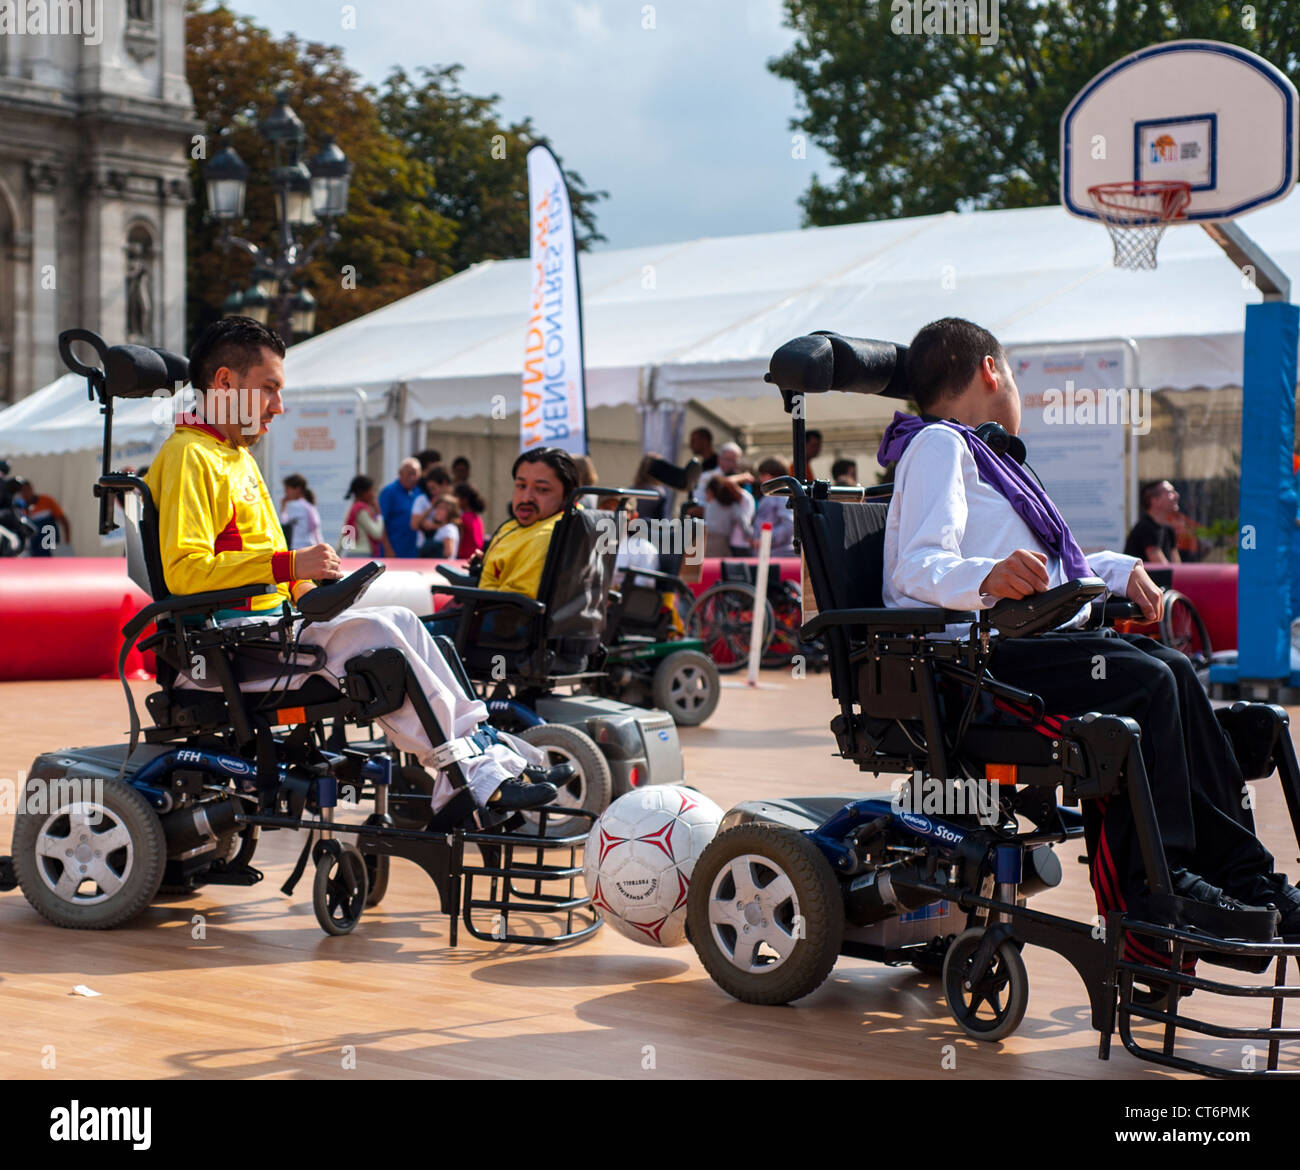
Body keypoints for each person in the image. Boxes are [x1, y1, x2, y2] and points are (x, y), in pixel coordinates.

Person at [880, 315, 1299, 943]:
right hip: (978, 665)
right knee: (1152, 682)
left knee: (1175, 670)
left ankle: (1248, 878)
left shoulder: (987, 458)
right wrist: (989, 576)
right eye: (1012, 371)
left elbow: (1054, 571)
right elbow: (917, 567)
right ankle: (1171, 884)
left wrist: (1122, 569)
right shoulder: (941, 445)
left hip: (1027, 642)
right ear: (990, 370)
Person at [143, 317, 554, 820]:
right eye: (269, 389)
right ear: (225, 382)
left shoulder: (237, 458)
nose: (278, 406)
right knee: (379, 636)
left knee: (402, 620)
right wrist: (289, 564)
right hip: (225, 652)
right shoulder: (189, 456)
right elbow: (186, 570)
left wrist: (309, 586)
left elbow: (269, 561)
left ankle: (483, 752)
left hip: (259, 637)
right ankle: (464, 774)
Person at [425, 447, 577, 638]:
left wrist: (477, 585)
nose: (526, 497)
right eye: (521, 485)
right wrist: (488, 566)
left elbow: (512, 602)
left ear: (568, 495)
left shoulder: (548, 534)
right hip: (496, 618)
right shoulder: (538, 524)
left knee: (397, 632)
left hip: (498, 627)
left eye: (542, 489)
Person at [1124, 480, 1181, 563]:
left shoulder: (1169, 531)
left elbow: (1177, 568)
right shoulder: (1145, 528)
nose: (1176, 495)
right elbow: (1162, 568)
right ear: (1155, 500)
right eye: (1170, 492)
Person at [378, 458, 423, 558]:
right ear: (400, 473)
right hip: (394, 550)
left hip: (414, 552)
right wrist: (387, 549)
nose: (411, 477)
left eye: (414, 473)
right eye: (409, 473)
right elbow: (381, 522)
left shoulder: (420, 493)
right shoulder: (389, 492)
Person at [752, 457, 796, 558]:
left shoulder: (782, 497)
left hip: (779, 555)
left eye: (763, 475)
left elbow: (789, 526)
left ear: (773, 476)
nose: (760, 479)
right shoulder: (771, 495)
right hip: (768, 554)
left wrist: (765, 540)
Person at [702, 473, 754, 558]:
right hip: (721, 541)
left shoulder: (711, 504)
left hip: (707, 539)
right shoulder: (731, 506)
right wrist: (749, 535)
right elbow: (742, 520)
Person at [342, 475, 394, 557]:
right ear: (364, 492)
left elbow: (345, 534)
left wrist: (337, 554)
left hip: (352, 553)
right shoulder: (362, 511)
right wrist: (379, 515)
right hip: (362, 554)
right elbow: (376, 534)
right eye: (372, 490)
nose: (373, 494)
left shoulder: (353, 509)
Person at [16, 480, 69, 556]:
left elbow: (64, 520)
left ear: (31, 489)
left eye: (27, 490)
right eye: (22, 491)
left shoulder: (47, 501)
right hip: (33, 548)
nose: (25, 493)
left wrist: (67, 541)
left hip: (50, 545)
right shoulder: (18, 507)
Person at [279, 474, 322, 550]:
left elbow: (284, 523)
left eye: (287, 490)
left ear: (297, 489)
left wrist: (283, 507)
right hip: (311, 545)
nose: (285, 493)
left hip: (298, 547)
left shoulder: (295, 506)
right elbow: (315, 527)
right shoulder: (309, 505)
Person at [420, 494, 461, 559]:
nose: (437, 511)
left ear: (450, 511)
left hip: (442, 567)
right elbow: (422, 524)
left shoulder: (449, 529)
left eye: (442, 508)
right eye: (437, 507)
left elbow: (448, 553)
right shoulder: (443, 527)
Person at [452, 481, 486, 557]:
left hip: (464, 559)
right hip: (474, 557)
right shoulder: (477, 517)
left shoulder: (463, 518)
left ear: (464, 499)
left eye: (456, 497)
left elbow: (459, 541)